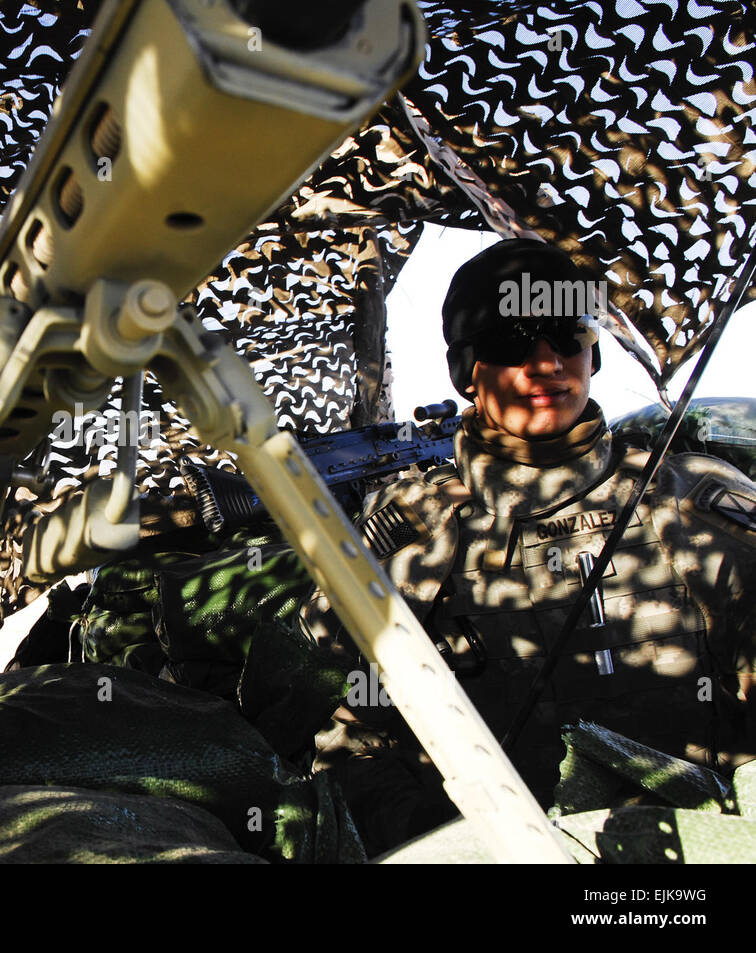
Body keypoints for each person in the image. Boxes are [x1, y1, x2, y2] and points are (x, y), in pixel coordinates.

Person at [314, 239, 756, 851]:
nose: (547, 363)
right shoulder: (411, 532)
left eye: (567, 335)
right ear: (467, 371)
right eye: (511, 342)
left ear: (592, 352)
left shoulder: (692, 501)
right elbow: (362, 734)